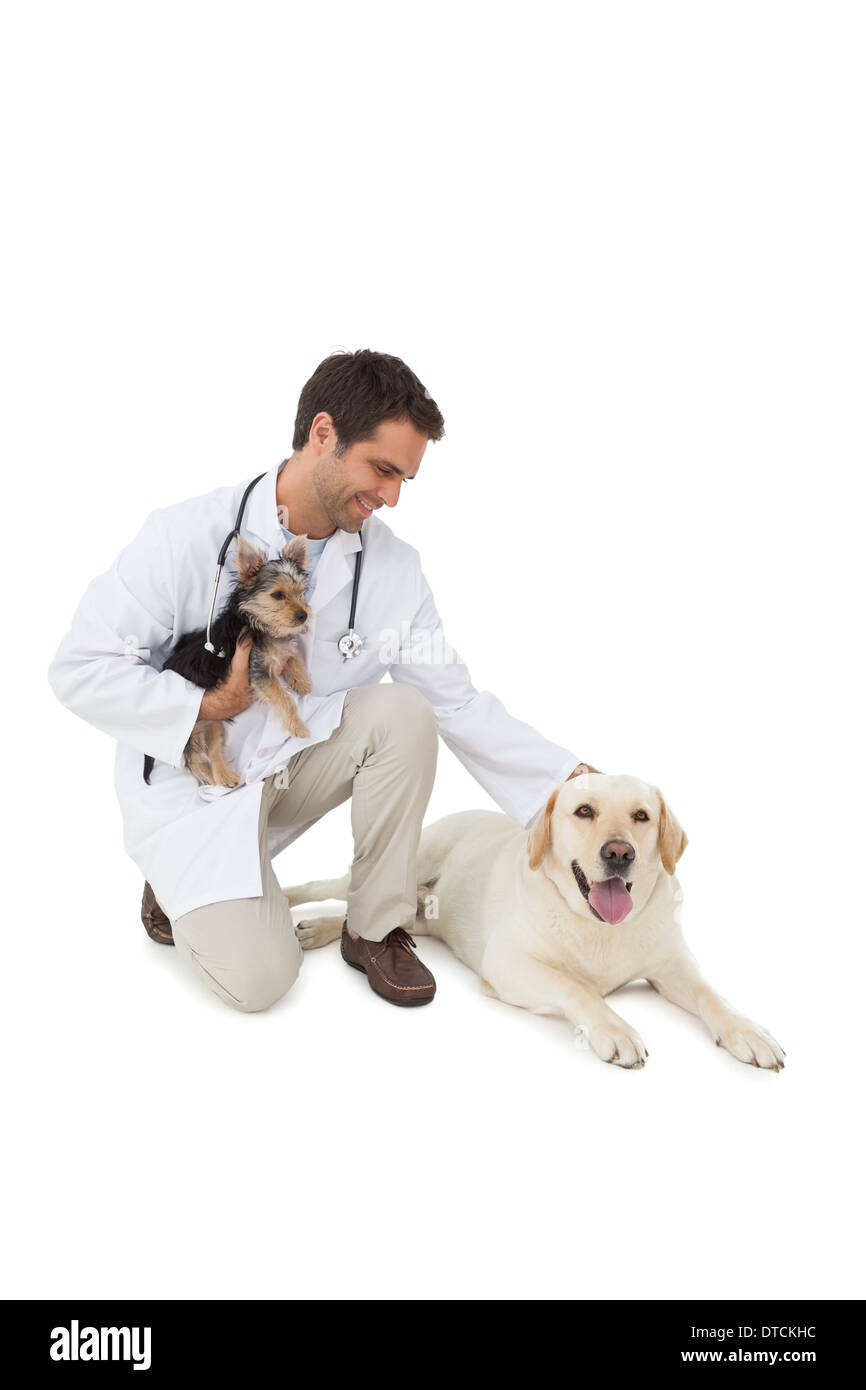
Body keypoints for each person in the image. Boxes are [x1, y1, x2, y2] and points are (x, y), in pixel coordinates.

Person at [47, 348, 583, 1011]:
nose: (390, 497)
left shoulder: (394, 569)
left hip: (294, 763)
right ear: (323, 432)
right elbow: (80, 667)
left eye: (403, 481)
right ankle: (177, 884)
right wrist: (208, 704)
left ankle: (375, 925)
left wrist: (571, 783)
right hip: (195, 786)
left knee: (405, 711)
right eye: (382, 470)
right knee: (260, 983)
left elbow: (457, 702)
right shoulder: (186, 535)